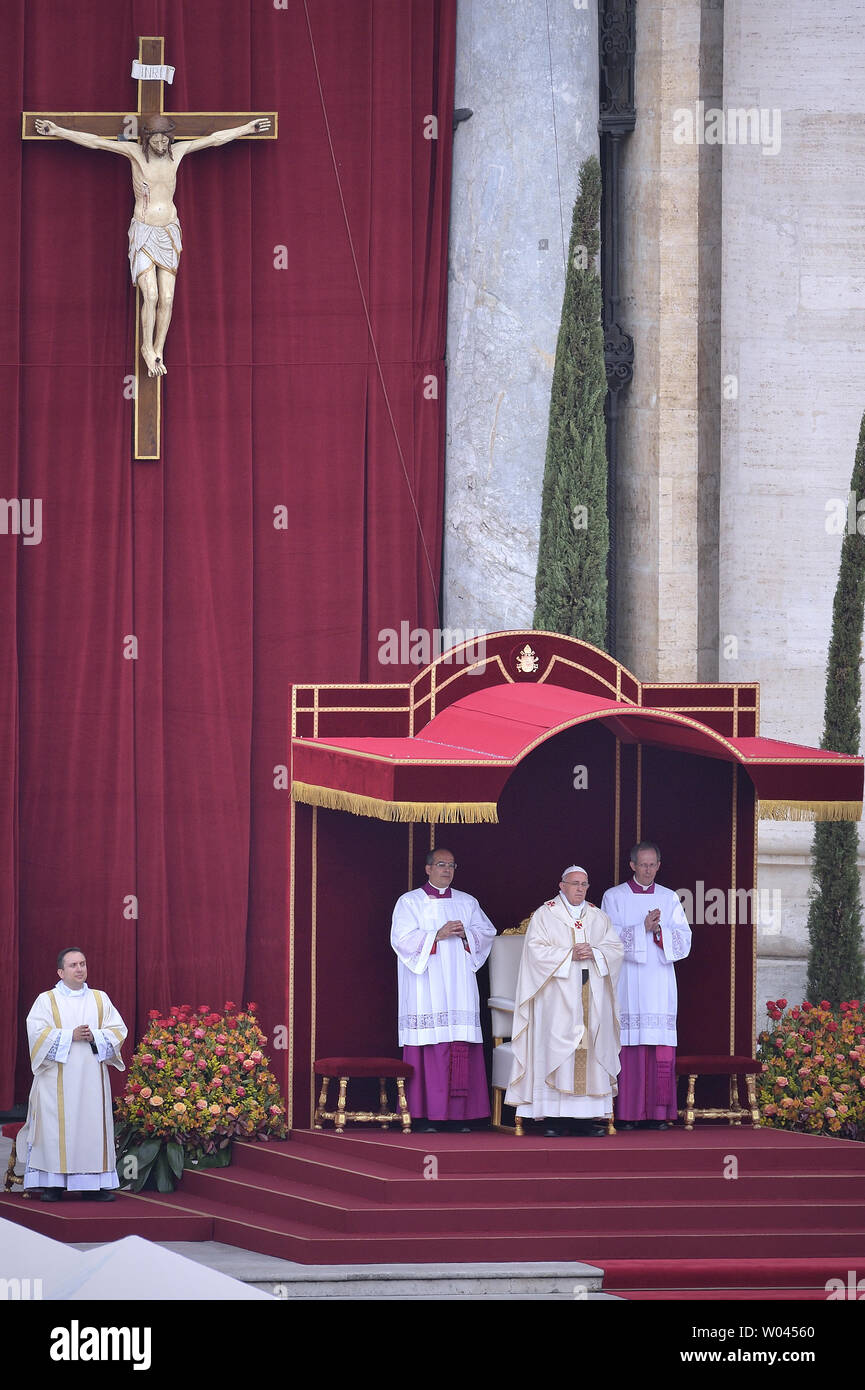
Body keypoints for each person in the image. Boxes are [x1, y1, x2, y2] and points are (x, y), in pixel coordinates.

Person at [34, 113, 271, 377]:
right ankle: (146, 347)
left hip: (168, 231)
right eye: (156, 141)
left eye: (164, 141)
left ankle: (158, 348)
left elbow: (214, 140)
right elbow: (96, 142)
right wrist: (58, 131)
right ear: (147, 140)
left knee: (167, 297)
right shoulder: (134, 153)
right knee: (152, 295)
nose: (160, 146)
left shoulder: (177, 152)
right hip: (144, 231)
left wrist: (246, 128)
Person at [505, 866, 623, 1136]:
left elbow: (615, 949)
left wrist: (596, 953)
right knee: (558, 1051)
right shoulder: (546, 915)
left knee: (590, 1051)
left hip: (590, 997)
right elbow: (535, 952)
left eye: (584, 884)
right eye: (575, 883)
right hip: (555, 1001)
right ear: (562, 886)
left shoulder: (597, 916)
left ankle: (585, 1119)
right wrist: (568, 954)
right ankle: (554, 1119)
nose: (580, 888)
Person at [391, 848, 496, 1132]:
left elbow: (487, 933)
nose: (447, 870)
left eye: (451, 865)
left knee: (459, 1044)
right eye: (441, 864)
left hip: (459, 984)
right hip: (427, 986)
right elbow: (400, 940)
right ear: (427, 869)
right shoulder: (409, 902)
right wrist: (436, 934)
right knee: (431, 1046)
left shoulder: (467, 902)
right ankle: (426, 1116)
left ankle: (460, 1117)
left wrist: (466, 934)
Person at [19, 948, 127, 1201]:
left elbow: (118, 1030)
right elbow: (36, 1033)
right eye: (73, 965)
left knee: (91, 1126)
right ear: (60, 971)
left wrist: (96, 1036)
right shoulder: (47, 1000)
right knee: (56, 1129)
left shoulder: (100, 999)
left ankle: (94, 1185)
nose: (79, 969)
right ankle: (53, 1184)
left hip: (91, 1078)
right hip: (56, 1079)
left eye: (82, 964)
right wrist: (70, 1035)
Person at [601, 841, 692, 1130]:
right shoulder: (614, 897)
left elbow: (684, 940)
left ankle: (658, 1113)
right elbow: (607, 938)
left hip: (660, 981)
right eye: (643, 864)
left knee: (658, 1047)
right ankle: (627, 1113)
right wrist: (642, 928)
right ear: (632, 865)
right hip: (628, 981)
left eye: (653, 864)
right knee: (629, 1047)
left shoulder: (669, 898)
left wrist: (660, 931)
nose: (648, 869)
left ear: (659, 866)